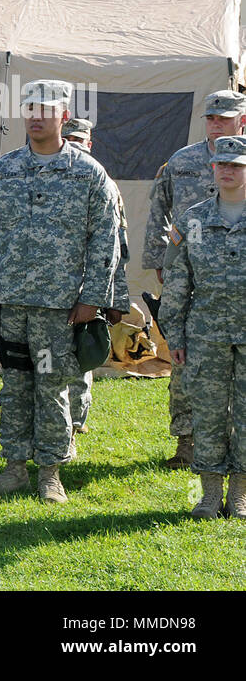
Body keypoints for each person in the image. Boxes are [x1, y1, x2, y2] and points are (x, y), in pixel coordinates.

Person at [0, 80, 120, 503]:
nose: (37, 116)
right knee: (14, 383)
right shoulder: (3, 170)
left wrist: (93, 296)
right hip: (10, 301)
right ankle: (14, 467)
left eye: (47, 110)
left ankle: (50, 471)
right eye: (30, 108)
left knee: (51, 383)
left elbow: (105, 239)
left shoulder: (87, 173)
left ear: (64, 117)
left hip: (59, 307)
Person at [144, 90, 246, 469]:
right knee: (187, 359)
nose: (216, 123)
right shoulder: (182, 161)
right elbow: (159, 209)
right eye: (211, 118)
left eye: (224, 117)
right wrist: (159, 260)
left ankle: (237, 447)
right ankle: (188, 440)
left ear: (241, 118)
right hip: (189, 272)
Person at [162, 135, 246, 519]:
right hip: (205, 334)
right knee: (209, 413)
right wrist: (175, 335)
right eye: (222, 164)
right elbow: (178, 281)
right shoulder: (193, 219)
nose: (228, 170)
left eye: (237, 165)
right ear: (213, 168)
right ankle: (210, 493)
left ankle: (240, 493)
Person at [62, 117, 131, 434]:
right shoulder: (49, 182)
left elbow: (119, 246)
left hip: (90, 289)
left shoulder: (106, 186)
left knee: (82, 356)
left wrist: (116, 299)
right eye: (69, 140)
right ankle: (48, 416)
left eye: (80, 140)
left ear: (90, 145)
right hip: (50, 288)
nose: (74, 146)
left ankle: (75, 420)